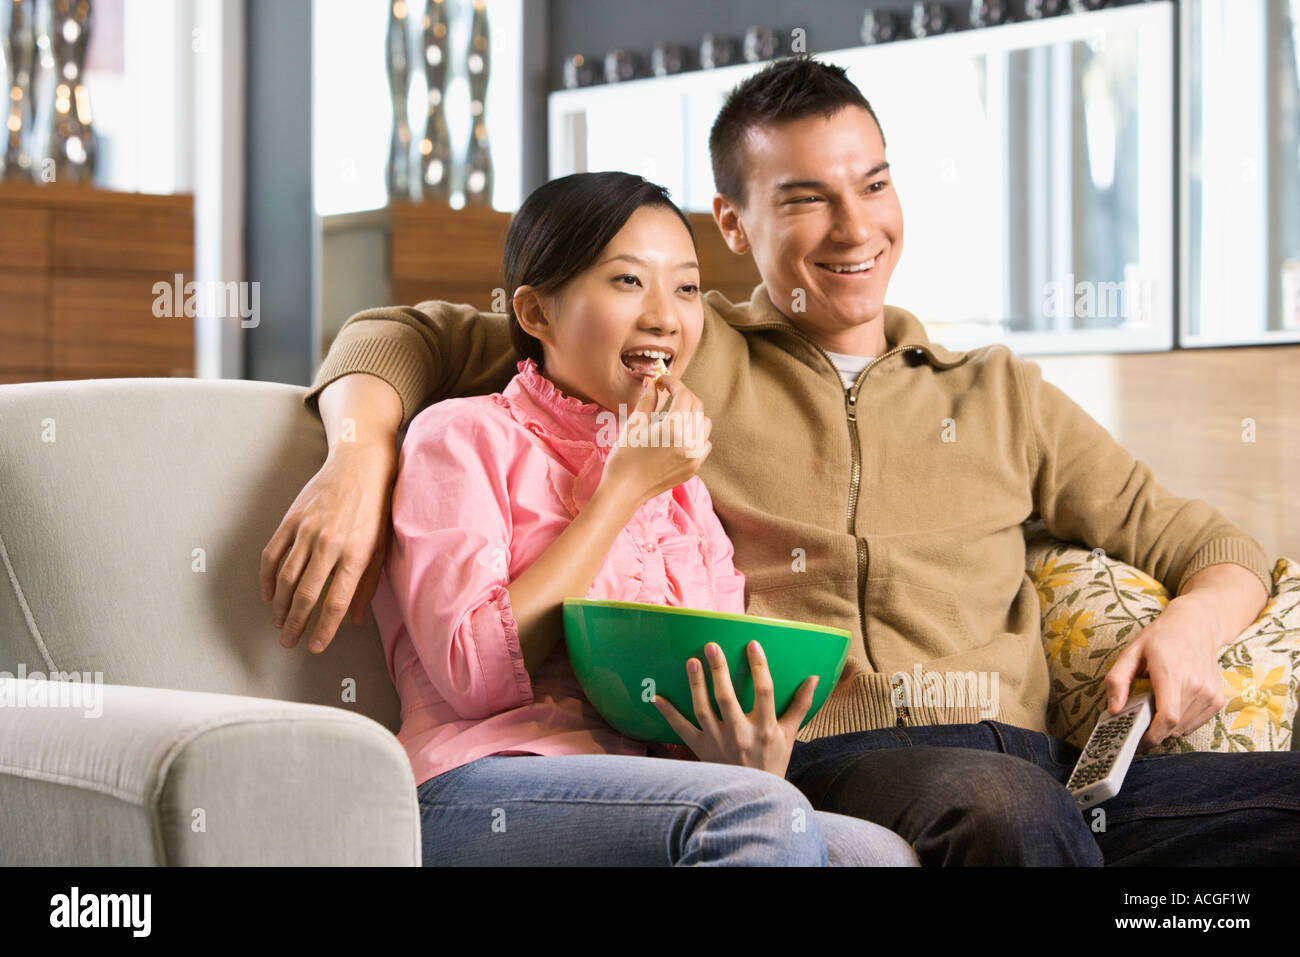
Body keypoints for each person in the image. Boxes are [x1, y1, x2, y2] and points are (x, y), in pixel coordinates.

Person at [265, 55, 1300, 865]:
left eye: (875, 184)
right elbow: (416, 331)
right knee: (1004, 815)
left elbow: (1212, 542)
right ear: (733, 222)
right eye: (805, 198)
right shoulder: (672, 349)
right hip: (843, 760)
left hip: (1040, 763)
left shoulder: (998, 389)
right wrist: (360, 453)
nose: (856, 228)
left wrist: (1191, 629)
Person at [358, 168, 917, 866]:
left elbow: (699, 696)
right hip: (474, 783)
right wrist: (620, 490)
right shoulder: (462, 436)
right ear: (534, 313)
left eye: (685, 287)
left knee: (878, 854)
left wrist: (746, 750)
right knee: (756, 813)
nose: (665, 315)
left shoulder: (682, 486)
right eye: (628, 282)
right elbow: (473, 671)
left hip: (649, 788)